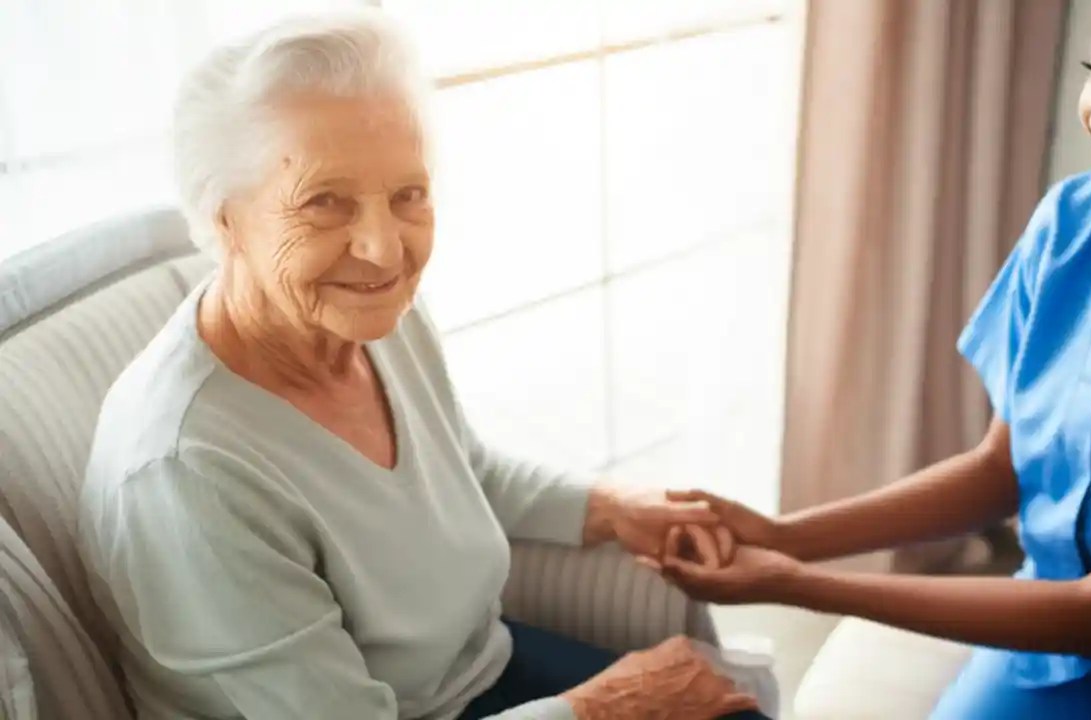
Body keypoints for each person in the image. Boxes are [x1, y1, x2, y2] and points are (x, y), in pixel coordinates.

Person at [76, 10, 766, 720]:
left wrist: (610, 507)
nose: (382, 248)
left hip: (478, 675)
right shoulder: (188, 473)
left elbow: (457, 470)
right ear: (223, 218)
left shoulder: (367, 313)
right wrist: (603, 708)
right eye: (325, 202)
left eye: (408, 194)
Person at [653, 0, 1091, 717]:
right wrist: (783, 534)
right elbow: (1001, 468)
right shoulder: (1071, 228)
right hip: (1049, 649)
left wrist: (793, 580)